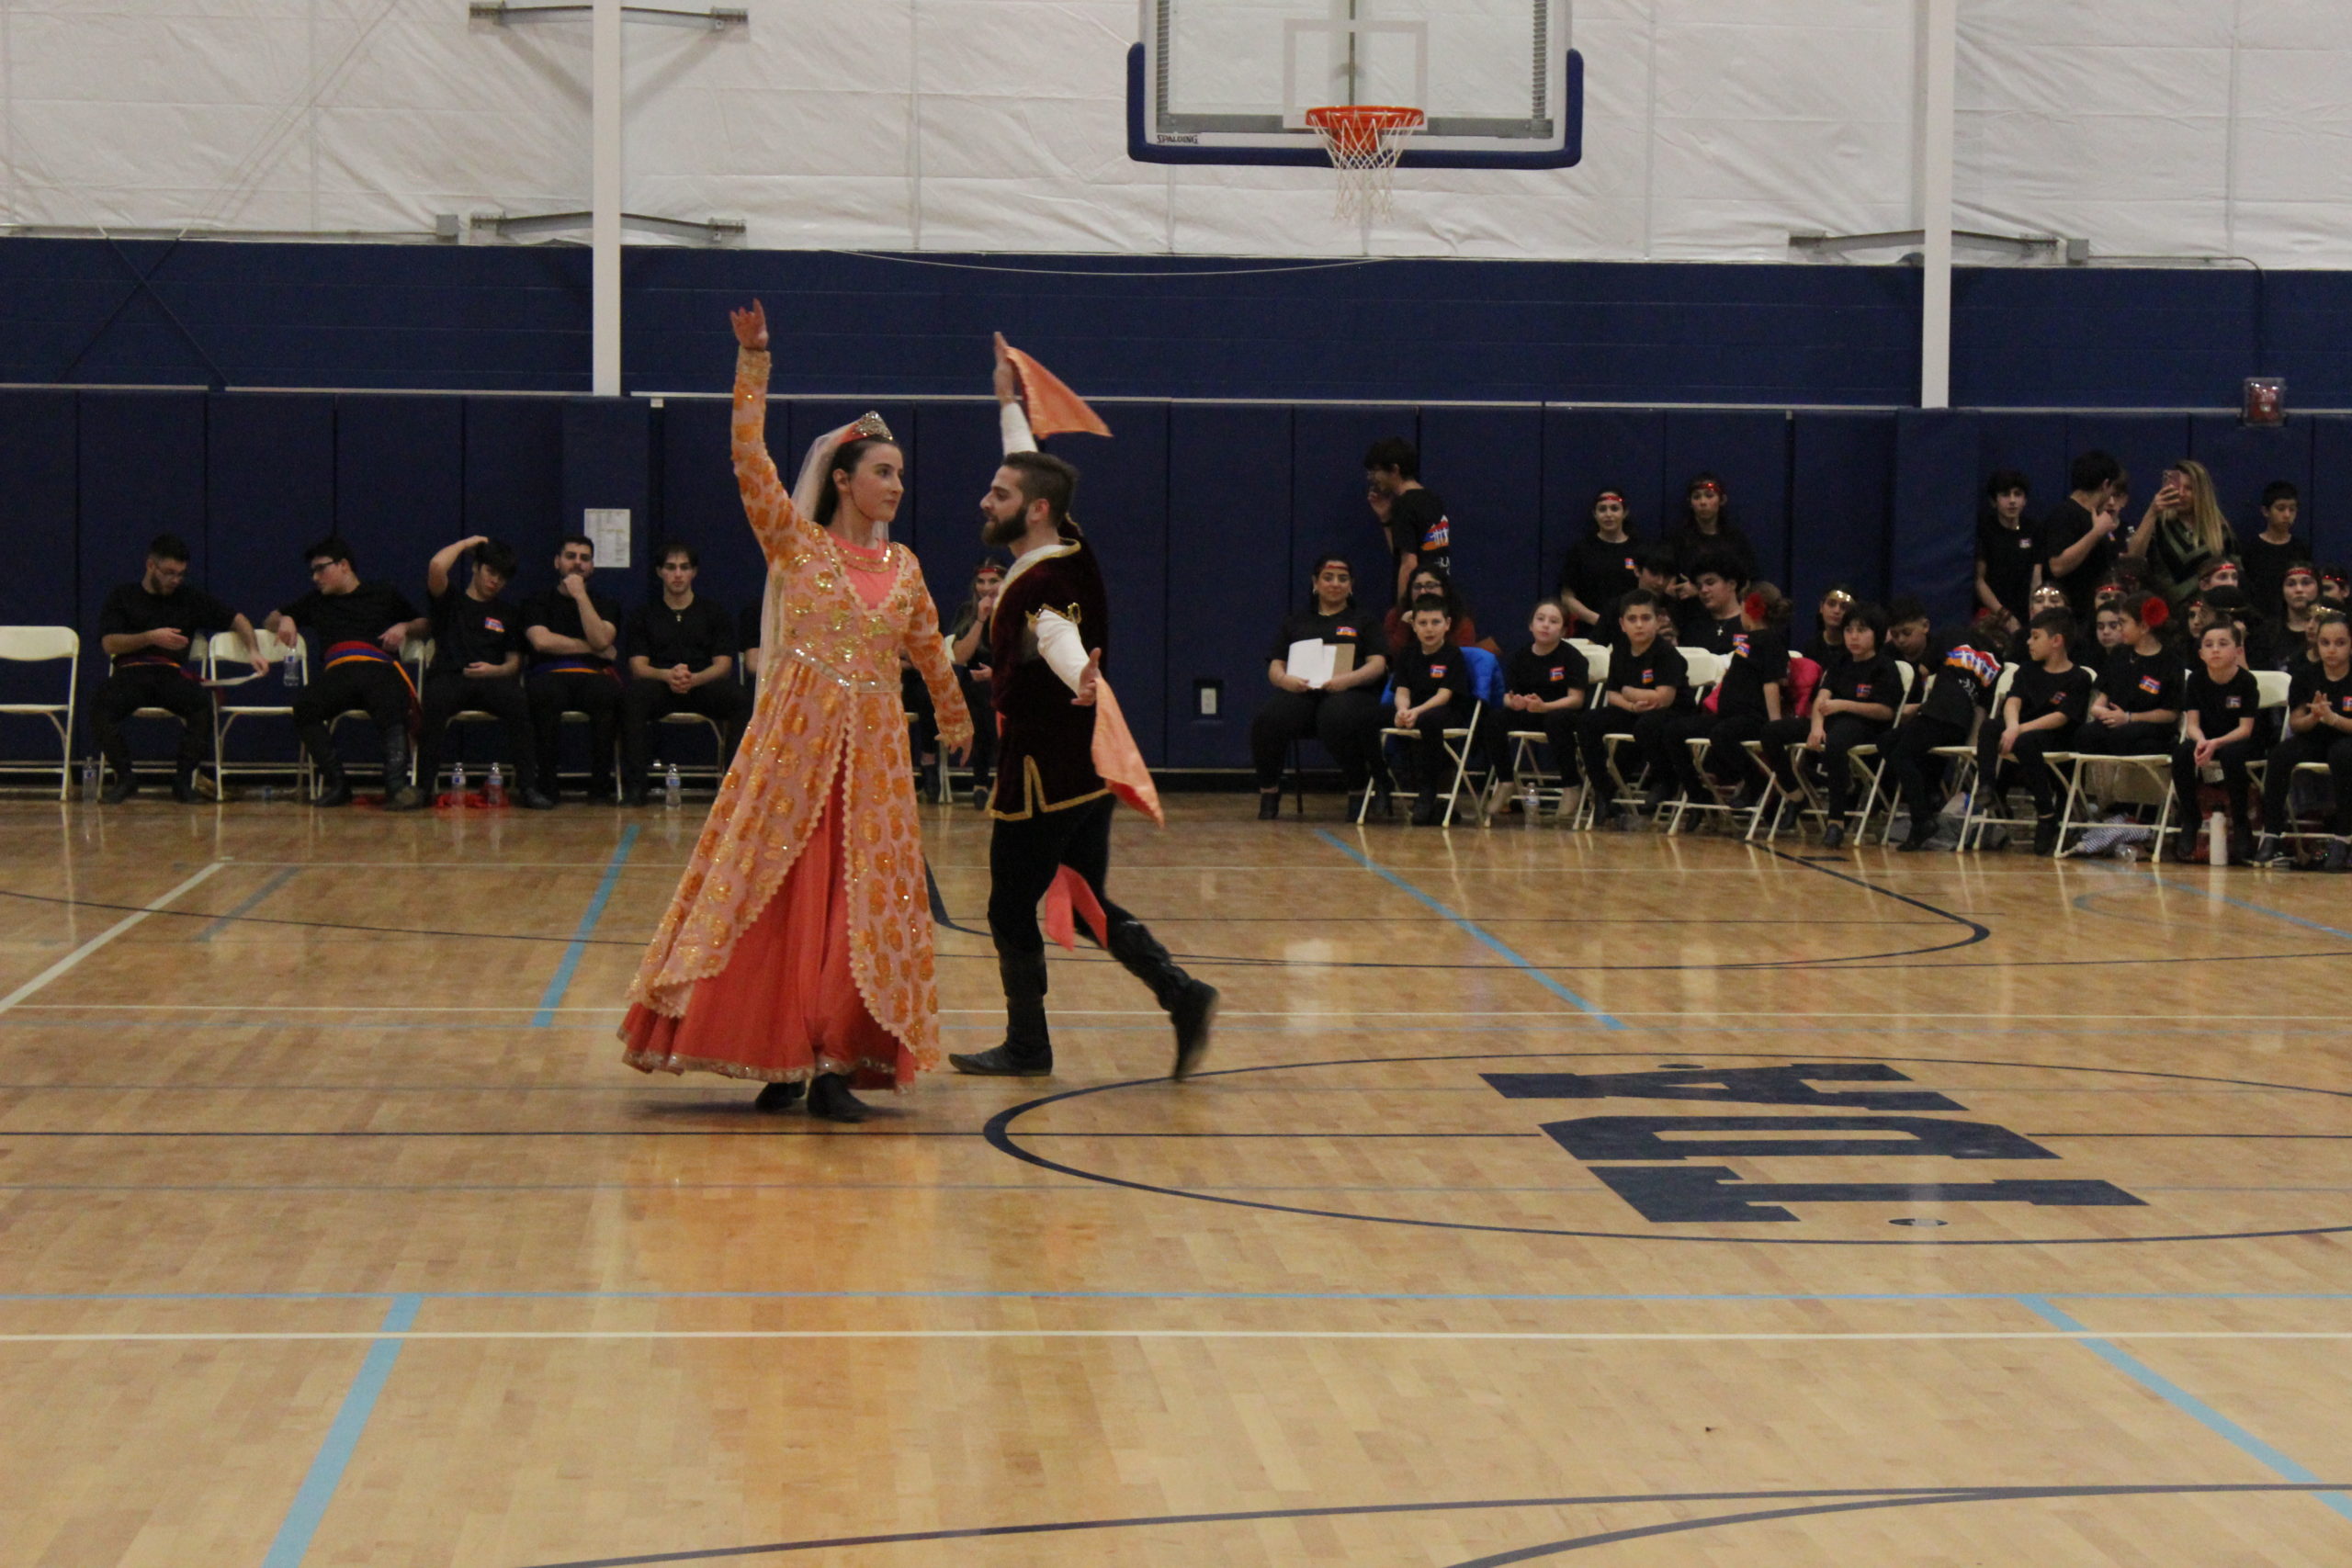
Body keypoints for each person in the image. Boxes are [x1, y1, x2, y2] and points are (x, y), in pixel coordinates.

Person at [620, 300, 972, 1124]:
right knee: (778, 895)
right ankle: (778, 1055)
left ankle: (837, 1062)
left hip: (873, 761)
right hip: (795, 750)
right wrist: (755, 362)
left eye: (900, 473)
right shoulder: (797, 543)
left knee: (861, 907)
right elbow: (749, 459)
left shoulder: (908, 567)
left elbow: (930, 650)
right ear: (843, 480)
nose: (897, 485)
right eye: (883, 471)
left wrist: (956, 717)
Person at [951, 334, 1217, 1082]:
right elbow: (1027, 462)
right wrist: (1008, 401)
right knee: (1087, 900)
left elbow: (1060, 639)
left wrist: (1081, 677)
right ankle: (1182, 992)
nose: (986, 501)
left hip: (1042, 778)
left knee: (1010, 909)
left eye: (999, 496)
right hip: (1085, 772)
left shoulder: (1039, 589)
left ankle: (1028, 1046)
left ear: (1034, 511)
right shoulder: (1065, 540)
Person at [91, 533, 266, 804]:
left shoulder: (189, 598)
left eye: (181, 574)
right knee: (99, 705)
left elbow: (237, 619)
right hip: (131, 672)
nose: (175, 580)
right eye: (169, 573)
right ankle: (125, 777)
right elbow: (109, 643)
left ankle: (184, 781)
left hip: (169, 673)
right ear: (151, 565)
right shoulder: (123, 596)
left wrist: (253, 649)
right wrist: (150, 637)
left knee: (203, 705)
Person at [266, 536, 426, 809]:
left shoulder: (382, 593)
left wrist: (405, 627)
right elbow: (269, 619)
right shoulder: (315, 601)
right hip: (338, 672)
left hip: (378, 668)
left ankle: (396, 786)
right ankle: (338, 784)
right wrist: (286, 618)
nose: (315, 578)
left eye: (321, 569)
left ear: (344, 565)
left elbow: (424, 623)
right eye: (312, 572)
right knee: (305, 707)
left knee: (392, 703)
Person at [410, 535, 552, 811]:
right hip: (451, 676)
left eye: (502, 577)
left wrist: (495, 670)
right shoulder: (450, 601)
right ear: (476, 567)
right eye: (490, 571)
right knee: (434, 701)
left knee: (520, 702)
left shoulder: (508, 614)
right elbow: (437, 566)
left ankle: (528, 787)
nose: (495, 581)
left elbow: (514, 663)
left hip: (492, 679)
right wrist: (468, 544)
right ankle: (423, 788)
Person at [1251, 555, 1390, 819]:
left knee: (1336, 717)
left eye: (1342, 579)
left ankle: (1358, 788)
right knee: (1267, 720)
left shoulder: (1364, 621)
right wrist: (1285, 680)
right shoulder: (1296, 622)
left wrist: (1347, 680)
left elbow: (1378, 664)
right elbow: (1275, 666)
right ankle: (1269, 790)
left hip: (1351, 692)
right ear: (1315, 583)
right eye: (1328, 578)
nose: (1335, 584)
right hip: (1304, 692)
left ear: (1351, 585)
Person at [619, 543, 753, 806]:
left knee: (740, 698)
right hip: (661, 684)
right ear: (659, 572)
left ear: (694, 572)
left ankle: (733, 787)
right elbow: (638, 667)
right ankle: (635, 787)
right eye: (671, 568)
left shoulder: (714, 613)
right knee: (632, 698)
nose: (678, 574)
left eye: (684, 567)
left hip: (702, 684)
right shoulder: (643, 615)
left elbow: (723, 665)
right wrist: (667, 675)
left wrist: (694, 679)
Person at [1758, 600, 1898, 848]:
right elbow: (1822, 698)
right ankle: (1795, 794)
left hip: (1865, 726)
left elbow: (1886, 712)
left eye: (1861, 630)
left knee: (1836, 743)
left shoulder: (1885, 667)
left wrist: (1844, 705)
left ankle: (1836, 822)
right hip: (1831, 721)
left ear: (1876, 634)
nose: (1853, 636)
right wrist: (1816, 726)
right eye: (1849, 630)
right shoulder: (1840, 663)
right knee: (1771, 732)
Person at [1974, 608, 2094, 855]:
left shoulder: (2079, 677)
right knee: (1990, 726)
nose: (2029, 642)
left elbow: (2060, 717)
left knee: (2026, 741)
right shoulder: (2027, 670)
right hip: (2021, 730)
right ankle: (1988, 787)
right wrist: (2012, 726)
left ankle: (2046, 813)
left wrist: (2018, 730)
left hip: (2056, 736)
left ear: (2056, 641)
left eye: (2035, 636)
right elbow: (2012, 701)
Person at [1888, 622, 2007, 852]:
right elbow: (1982, 709)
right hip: (1958, 723)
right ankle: (1931, 794)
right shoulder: (1997, 663)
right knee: (1889, 742)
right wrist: (1972, 744)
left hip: (1938, 714)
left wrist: (1918, 706)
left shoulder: (1954, 633)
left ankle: (1922, 820)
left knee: (1901, 755)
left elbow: (1923, 671)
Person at [524, 536, 623, 804]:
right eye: (570, 556)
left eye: (584, 558)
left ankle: (600, 788)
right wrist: (592, 648)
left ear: (592, 567)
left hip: (593, 677)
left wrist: (580, 595)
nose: (577, 563)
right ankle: (546, 786)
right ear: (557, 562)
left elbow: (602, 639)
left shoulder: (606, 603)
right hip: (549, 675)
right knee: (545, 695)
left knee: (608, 695)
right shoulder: (537, 601)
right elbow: (541, 642)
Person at [2252, 611, 2352, 871]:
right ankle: (2272, 834)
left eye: (2340, 643)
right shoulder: (2306, 675)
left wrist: (2333, 719)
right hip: (2315, 737)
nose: (2331, 649)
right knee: (2280, 754)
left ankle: (2343, 838)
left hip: (2346, 739)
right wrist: (2315, 717)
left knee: (2342, 755)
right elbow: (2296, 723)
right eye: (2325, 643)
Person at [1577, 589, 1687, 826]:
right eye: (1632, 619)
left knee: (1647, 725)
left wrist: (1630, 693)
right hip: (1635, 711)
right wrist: (1631, 704)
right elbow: (1612, 694)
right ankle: (1602, 790)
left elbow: (1664, 698)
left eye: (1646, 618)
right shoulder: (1620, 650)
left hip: (1671, 714)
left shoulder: (1666, 653)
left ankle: (1665, 780)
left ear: (1658, 621)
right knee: (1588, 722)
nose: (1639, 625)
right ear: (1622, 624)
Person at [1677, 581, 1792, 807]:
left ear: (1750, 610)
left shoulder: (1770, 641)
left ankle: (1756, 781)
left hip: (1753, 719)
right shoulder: (1749, 640)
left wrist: (1775, 725)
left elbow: (1772, 683)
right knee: (1676, 730)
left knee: (1722, 735)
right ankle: (1696, 794)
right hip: (1728, 717)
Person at [2171, 621, 2261, 864]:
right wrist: (2202, 741)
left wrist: (2215, 744)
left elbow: (2245, 729)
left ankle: (2240, 823)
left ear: (2238, 651)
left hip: (2238, 740)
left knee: (2232, 756)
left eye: (2223, 644)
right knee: (2182, 753)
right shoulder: (2196, 680)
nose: (2216, 650)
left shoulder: (2246, 681)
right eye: (2209, 645)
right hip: (2207, 737)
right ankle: (2190, 818)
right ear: (2201, 653)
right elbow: (2192, 724)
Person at [1384, 594, 1472, 827]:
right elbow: (1402, 690)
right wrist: (1402, 710)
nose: (1429, 629)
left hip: (1443, 711)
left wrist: (1417, 712)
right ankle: (1381, 783)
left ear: (1447, 624)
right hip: (1413, 710)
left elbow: (1444, 695)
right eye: (1423, 623)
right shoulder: (1408, 653)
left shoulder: (1453, 655)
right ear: (1413, 625)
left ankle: (1429, 790)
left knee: (1429, 720)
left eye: (1435, 622)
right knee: (1369, 716)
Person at [1502, 599, 1589, 814]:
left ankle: (1571, 785)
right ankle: (1505, 781)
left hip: (1563, 715)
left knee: (1556, 719)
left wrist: (1546, 706)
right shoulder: (1520, 656)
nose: (1546, 625)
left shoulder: (1572, 657)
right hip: (1530, 712)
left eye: (1554, 621)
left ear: (1563, 630)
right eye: (1540, 619)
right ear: (1530, 625)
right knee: (1495, 718)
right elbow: (1506, 695)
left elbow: (1576, 699)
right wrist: (1514, 702)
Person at [2069, 594, 2182, 760]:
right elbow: (2104, 694)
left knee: (2124, 738)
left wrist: (2129, 718)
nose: (2119, 628)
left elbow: (2170, 713)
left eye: (2123, 623)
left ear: (2143, 627)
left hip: (2151, 726)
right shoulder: (2119, 654)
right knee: (2085, 735)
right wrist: (2099, 710)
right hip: (2117, 721)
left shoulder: (2170, 662)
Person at [945, 559, 1005, 807]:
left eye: (993, 581)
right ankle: (981, 783)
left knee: (991, 692)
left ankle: (990, 780)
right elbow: (960, 657)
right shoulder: (967, 612)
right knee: (979, 693)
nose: (986, 587)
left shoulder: (1016, 610)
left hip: (1007, 681)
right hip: (974, 687)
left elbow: (1026, 656)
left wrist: (997, 673)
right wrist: (980, 620)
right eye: (981, 581)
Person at [2137, 460, 2236, 606]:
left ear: (2202, 492)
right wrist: (2152, 512)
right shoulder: (2159, 525)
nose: (2181, 493)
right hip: (2164, 608)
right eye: (2177, 487)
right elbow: (2134, 558)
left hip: (2209, 608)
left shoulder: (2220, 530)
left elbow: (2235, 575)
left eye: (2189, 488)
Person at [1364, 436, 1452, 604]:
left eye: (1376, 470)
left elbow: (1408, 563)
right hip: (1440, 595)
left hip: (1420, 600)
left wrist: (1403, 609)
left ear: (1394, 470)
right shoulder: (1433, 499)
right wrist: (1386, 519)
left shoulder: (1404, 504)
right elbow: (1401, 551)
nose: (1373, 477)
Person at [2046, 451, 2126, 615]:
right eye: (2112, 488)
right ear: (2105, 485)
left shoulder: (2095, 516)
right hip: (2072, 616)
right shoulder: (2065, 515)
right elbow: (2057, 566)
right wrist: (2096, 533)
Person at [1555, 490, 1643, 633]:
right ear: (1595, 514)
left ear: (1625, 513)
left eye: (1614, 508)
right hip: (1588, 631)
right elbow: (1567, 597)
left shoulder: (1639, 550)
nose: (1608, 514)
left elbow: (1647, 594)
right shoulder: (1581, 550)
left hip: (1631, 631)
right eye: (1602, 509)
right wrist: (1599, 621)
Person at [1664, 473, 1758, 596]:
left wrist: (1699, 590)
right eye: (1696, 497)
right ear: (1690, 502)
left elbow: (1746, 582)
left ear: (1722, 500)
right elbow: (1668, 581)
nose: (1703, 502)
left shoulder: (1735, 539)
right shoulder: (1678, 539)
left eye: (1709, 496)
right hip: (1688, 605)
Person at [1974, 469, 2040, 629]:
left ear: (2024, 500)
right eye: (2005, 495)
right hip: (1993, 615)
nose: (2012, 501)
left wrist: (2034, 613)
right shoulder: (1984, 530)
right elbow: (1979, 580)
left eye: (2017, 494)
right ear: (1994, 501)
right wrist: (2004, 615)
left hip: (2025, 614)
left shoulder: (2033, 529)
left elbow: (2036, 577)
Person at [2240, 480, 2310, 621]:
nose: (2287, 515)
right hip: (2258, 620)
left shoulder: (2300, 548)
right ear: (2266, 511)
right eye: (2281, 508)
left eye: (2292, 509)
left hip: (2292, 619)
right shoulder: (2251, 548)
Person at [1382, 562, 1477, 651]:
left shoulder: (1460, 621)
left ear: (1444, 590)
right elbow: (1390, 656)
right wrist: (1404, 626)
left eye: (1430, 586)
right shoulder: (1397, 615)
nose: (1423, 592)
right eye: (1417, 587)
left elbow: (1462, 658)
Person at [1677, 555, 1747, 654]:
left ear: (1731, 584)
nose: (1703, 590)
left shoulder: (1751, 624)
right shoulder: (1694, 627)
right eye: (1699, 586)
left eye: (1710, 583)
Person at [1802, 585, 1854, 668]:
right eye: (1831, 604)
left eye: (1844, 607)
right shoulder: (1811, 647)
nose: (1837, 611)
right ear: (1821, 607)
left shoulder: (1855, 647)